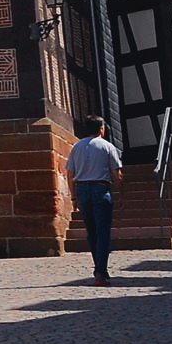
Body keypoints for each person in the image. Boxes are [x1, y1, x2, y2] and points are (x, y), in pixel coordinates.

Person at [64, 115, 123, 286]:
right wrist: (120, 192)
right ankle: (101, 271)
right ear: (101, 129)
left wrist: (73, 195)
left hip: (82, 189)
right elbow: (116, 173)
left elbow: (69, 173)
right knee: (103, 232)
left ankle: (98, 267)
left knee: (91, 231)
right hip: (100, 188)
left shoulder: (77, 147)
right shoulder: (107, 146)